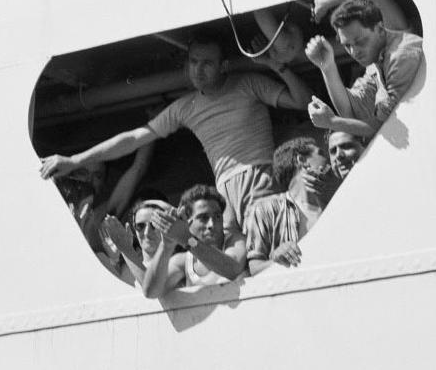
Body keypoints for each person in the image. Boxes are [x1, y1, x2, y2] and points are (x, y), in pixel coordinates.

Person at [40, 34, 314, 237]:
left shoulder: (249, 84)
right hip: (224, 192)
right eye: (194, 62)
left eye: (207, 63)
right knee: (236, 257)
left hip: (259, 178)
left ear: (224, 66)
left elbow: (303, 103)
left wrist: (276, 66)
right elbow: (134, 138)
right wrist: (74, 161)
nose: (198, 70)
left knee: (270, 249)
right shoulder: (185, 107)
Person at [304, 0, 426, 138]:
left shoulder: (400, 56)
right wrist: (327, 67)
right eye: (347, 45)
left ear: (380, 29)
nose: (354, 52)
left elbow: (386, 128)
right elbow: (351, 111)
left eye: (360, 41)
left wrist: (332, 122)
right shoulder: (376, 61)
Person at [140, 186, 248, 296]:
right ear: (187, 221)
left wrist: (186, 238)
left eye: (217, 216)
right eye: (203, 218)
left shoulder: (236, 240)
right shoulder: (183, 261)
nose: (211, 224)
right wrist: (166, 245)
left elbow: (232, 269)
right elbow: (151, 292)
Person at [243, 137, 330, 274]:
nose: (329, 159)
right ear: (301, 160)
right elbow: (255, 268)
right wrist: (278, 259)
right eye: (321, 153)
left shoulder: (331, 209)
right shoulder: (265, 208)